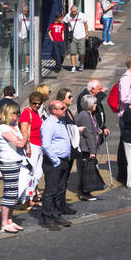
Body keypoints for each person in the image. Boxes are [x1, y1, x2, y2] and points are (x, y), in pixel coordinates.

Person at [39, 98, 73, 230]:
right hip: (54, 161)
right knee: (51, 190)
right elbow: (46, 145)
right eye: (62, 108)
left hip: (63, 160)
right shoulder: (49, 124)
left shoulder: (61, 121)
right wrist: (56, 161)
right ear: (54, 111)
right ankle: (47, 218)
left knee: (59, 190)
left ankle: (57, 215)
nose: (65, 110)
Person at [0, 102, 27, 233]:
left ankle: (10, 220)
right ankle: (4, 223)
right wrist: (25, 136)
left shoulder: (13, 126)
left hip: (18, 161)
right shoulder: (2, 128)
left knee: (16, 193)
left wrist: (24, 141)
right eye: (15, 113)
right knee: (10, 192)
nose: (18, 115)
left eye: (18, 113)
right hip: (9, 163)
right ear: (8, 113)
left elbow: (23, 143)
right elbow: (19, 143)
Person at [54, 87, 79, 215]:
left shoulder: (68, 111)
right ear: (62, 98)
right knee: (61, 179)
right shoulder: (61, 113)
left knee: (65, 178)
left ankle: (62, 203)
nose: (72, 98)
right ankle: (59, 204)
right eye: (69, 97)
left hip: (70, 149)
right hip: (63, 150)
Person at [75, 93, 102, 202]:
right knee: (84, 171)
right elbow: (88, 134)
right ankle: (83, 192)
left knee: (87, 170)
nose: (96, 104)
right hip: (85, 148)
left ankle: (86, 191)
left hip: (89, 147)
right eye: (94, 103)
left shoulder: (90, 114)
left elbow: (92, 129)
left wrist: (98, 131)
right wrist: (92, 151)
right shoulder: (84, 115)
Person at [19, 91, 45, 203]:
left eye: (39, 103)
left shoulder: (37, 113)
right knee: (30, 173)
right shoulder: (26, 113)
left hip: (39, 145)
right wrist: (28, 145)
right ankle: (27, 199)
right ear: (30, 102)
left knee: (38, 173)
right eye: (35, 103)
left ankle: (32, 194)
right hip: (32, 145)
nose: (37, 105)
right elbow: (24, 130)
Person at [64, 5, 87, 72]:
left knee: (82, 52)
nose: (73, 13)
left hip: (82, 36)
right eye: (72, 11)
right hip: (72, 37)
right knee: (72, 52)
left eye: (74, 11)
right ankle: (73, 66)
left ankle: (81, 62)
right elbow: (64, 23)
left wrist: (86, 34)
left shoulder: (82, 15)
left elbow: (86, 25)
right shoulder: (68, 15)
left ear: (77, 10)